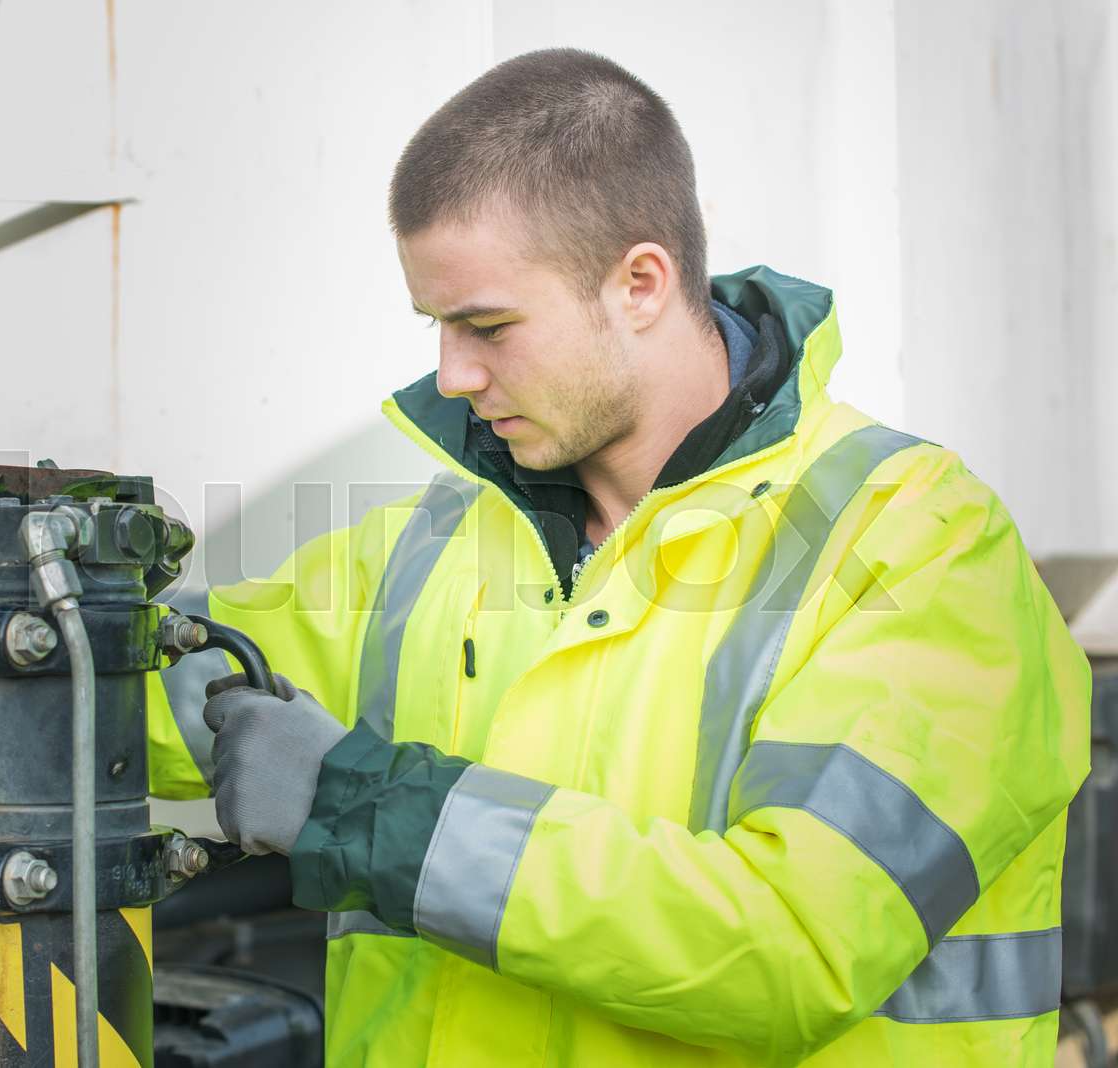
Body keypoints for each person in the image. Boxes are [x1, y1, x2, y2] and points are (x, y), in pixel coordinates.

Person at [147, 48, 1090, 1066]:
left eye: (487, 325)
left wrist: (362, 812)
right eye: (436, 326)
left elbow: (788, 947)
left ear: (638, 283)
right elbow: (155, 677)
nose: (451, 375)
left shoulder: (921, 546)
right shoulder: (429, 545)